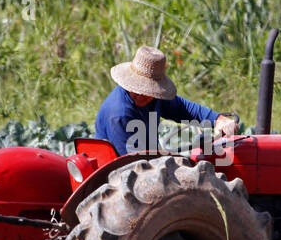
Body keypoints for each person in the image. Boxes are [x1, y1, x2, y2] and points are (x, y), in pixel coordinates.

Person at [94, 45, 240, 156]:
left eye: (145, 91)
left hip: (145, 160)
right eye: (136, 89)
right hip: (122, 171)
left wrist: (218, 119)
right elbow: (131, 165)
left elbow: (183, 108)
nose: (139, 95)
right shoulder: (119, 113)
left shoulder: (153, 99)